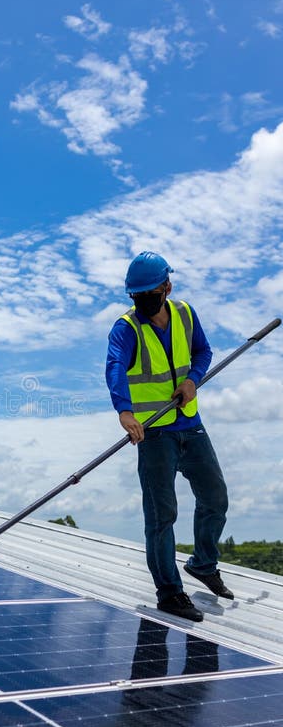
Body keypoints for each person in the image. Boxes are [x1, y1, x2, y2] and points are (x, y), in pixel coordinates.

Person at [105, 251, 233, 622]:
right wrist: (125, 411)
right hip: (153, 433)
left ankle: (204, 565)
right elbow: (114, 367)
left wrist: (193, 379)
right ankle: (170, 593)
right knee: (162, 517)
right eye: (136, 295)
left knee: (215, 497)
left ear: (166, 288)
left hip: (189, 425)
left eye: (149, 292)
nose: (143, 300)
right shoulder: (125, 329)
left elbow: (203, 352)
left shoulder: (185, 314)